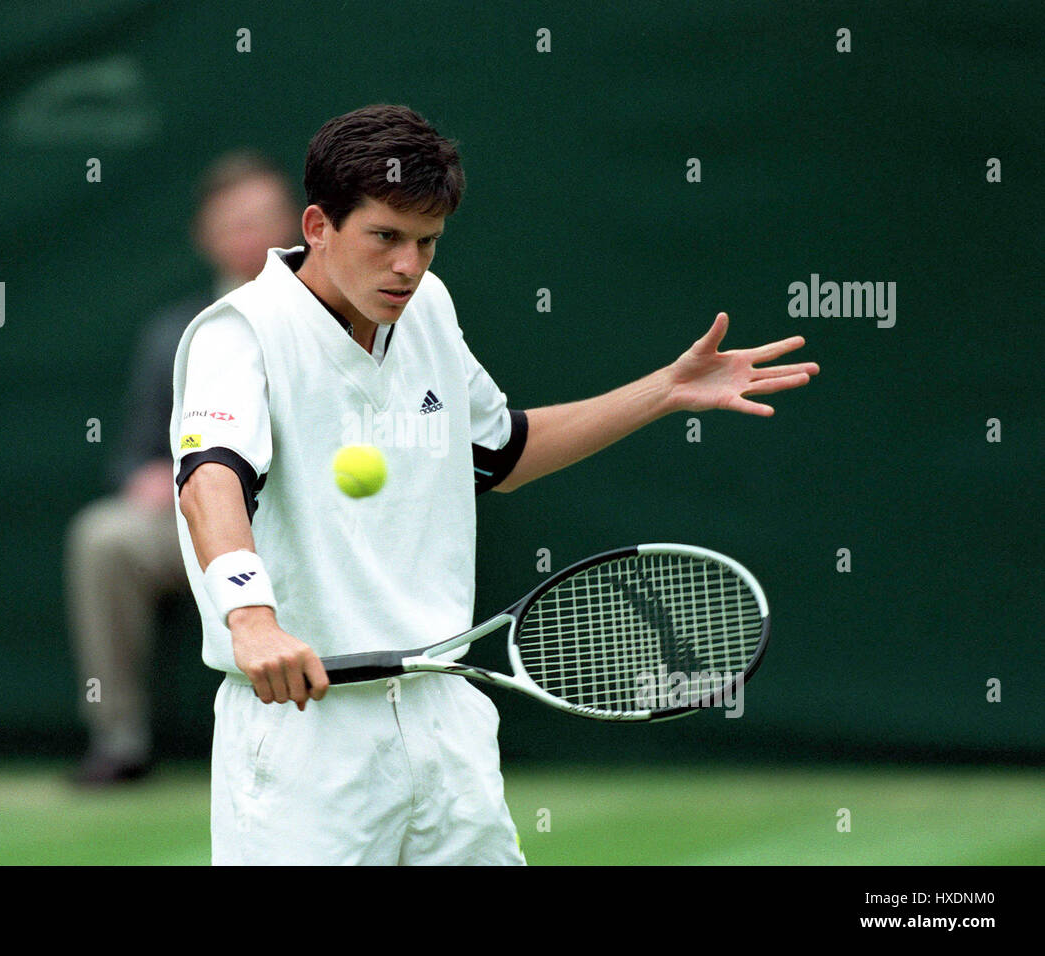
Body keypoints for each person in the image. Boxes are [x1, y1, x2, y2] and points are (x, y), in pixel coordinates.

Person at [171, 105, 819, 863]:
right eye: (385, 237)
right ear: (318, 226)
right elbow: (208, 481)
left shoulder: (429, 308)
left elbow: (501, 454)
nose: (408, 266)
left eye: (427, 242)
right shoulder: (238, 332)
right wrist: (251, 618)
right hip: (304, 740)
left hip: (445, 727)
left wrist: (665, 390)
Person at [66, 150, 299, 786]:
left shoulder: (334, 318)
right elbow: (138, 455)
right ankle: (119, 742)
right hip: (196, 522)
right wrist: (143, 477)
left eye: (265, 218)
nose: (253, 236)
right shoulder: (174, 333)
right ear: (208, 236)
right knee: (104, 535)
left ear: (300, 225)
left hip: (309, 523)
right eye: (237, 222)